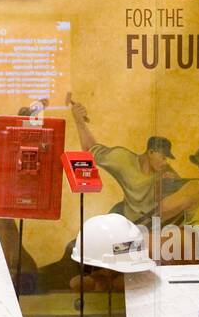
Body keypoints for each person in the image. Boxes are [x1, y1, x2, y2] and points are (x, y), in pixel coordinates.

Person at [67, 92, 178, 223]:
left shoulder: (166, 172)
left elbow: (180, 197)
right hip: (125, 223)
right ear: (151, 152)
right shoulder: (122, 159)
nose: (165, 162)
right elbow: (90, 151)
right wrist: (80, 122)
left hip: (151, 227)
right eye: (163, 157)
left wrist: (170, 185)